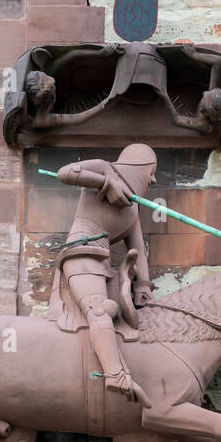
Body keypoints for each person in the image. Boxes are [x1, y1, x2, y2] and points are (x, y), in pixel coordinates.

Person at [45, 144, 157, 402]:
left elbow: (137, 248)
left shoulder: (133, 209)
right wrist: (106, 183)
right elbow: (65, 173)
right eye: (151, 171)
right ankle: (115, 375)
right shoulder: (105, 168)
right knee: (100, 309)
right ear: (140, 166)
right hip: (82, 252)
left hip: (103, 264)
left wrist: (143, 286)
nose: (153, 179)